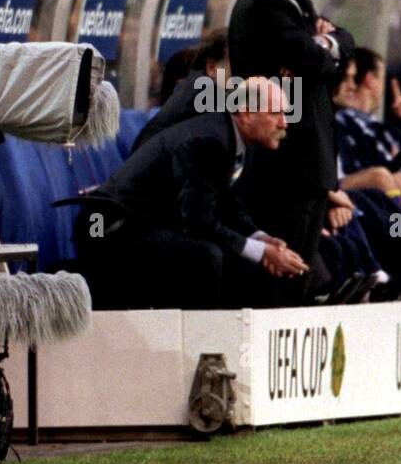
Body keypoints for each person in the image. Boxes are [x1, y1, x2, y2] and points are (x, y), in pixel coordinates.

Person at [72, 77, 307, 309]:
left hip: (142, 225)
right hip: (106, 229)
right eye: (275, 113)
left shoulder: (233, 138)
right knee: (205, 256)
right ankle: (190, 344)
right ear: (246, 113)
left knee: (240, 263)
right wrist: (262, 252)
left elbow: (227, 205)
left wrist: (261, 239)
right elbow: (199, 220)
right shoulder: (208, 140)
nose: (284, 123)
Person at [228, 0, 354, 300]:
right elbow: (313, 61)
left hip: (310, 165)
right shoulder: (261, 4)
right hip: (285, 165)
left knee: (298, 271)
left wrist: (323, 45)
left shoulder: (296, 3)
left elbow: (344, 45)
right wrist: (318, 51)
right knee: (282, 274)